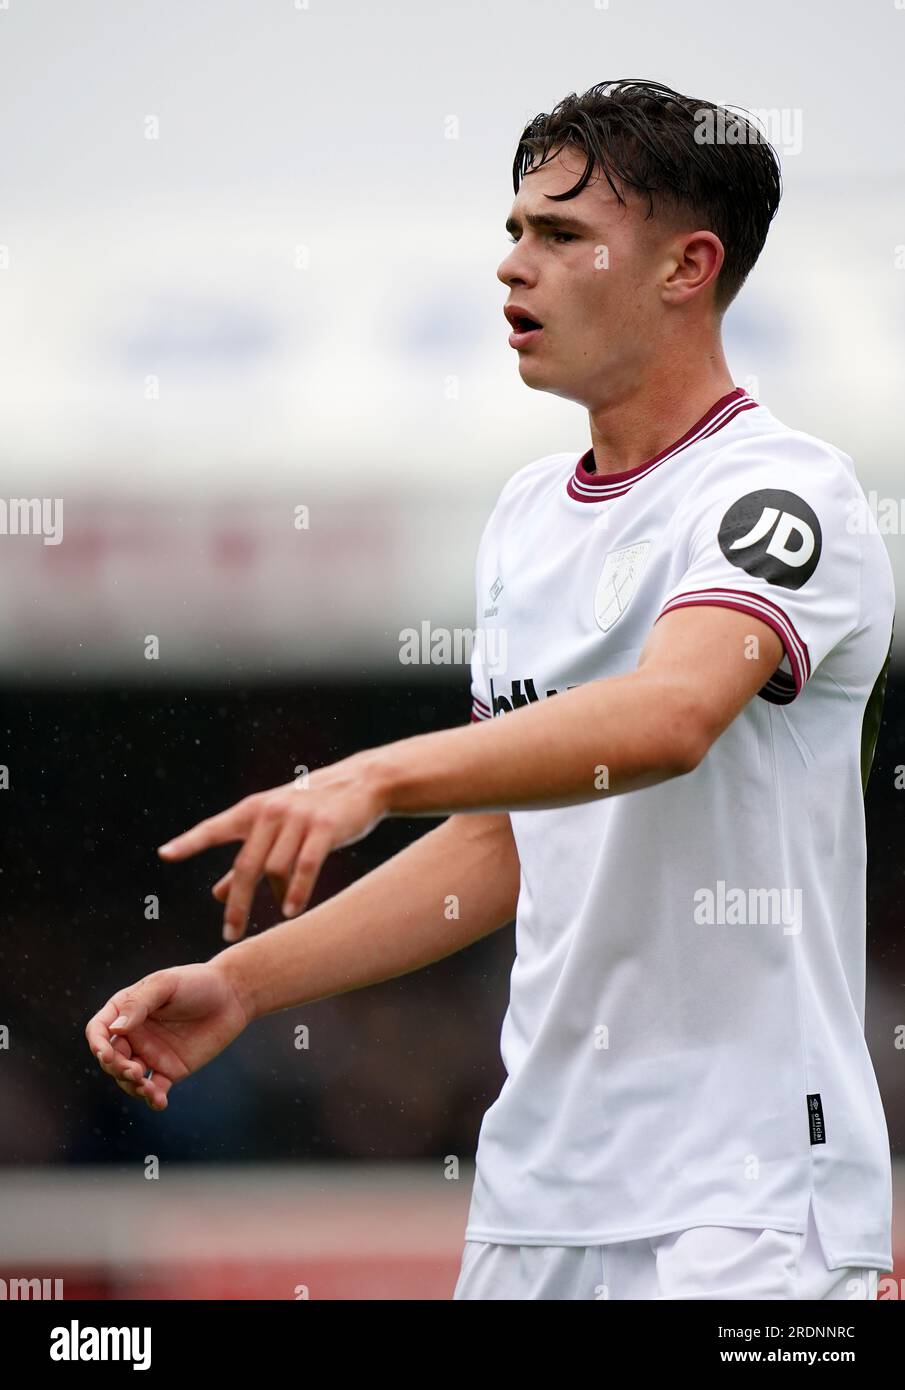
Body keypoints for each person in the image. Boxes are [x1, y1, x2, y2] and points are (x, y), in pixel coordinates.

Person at [86, 79, 895, 1300]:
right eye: (515, 230)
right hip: (538, 1198)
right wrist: (246, 985)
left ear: (687, 266)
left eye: (561, 236)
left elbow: (668, 721)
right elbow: (503, 845)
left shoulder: (784, 494)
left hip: (747, 1204)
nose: (513, 267)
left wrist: (374, 773)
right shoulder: (524, 516)